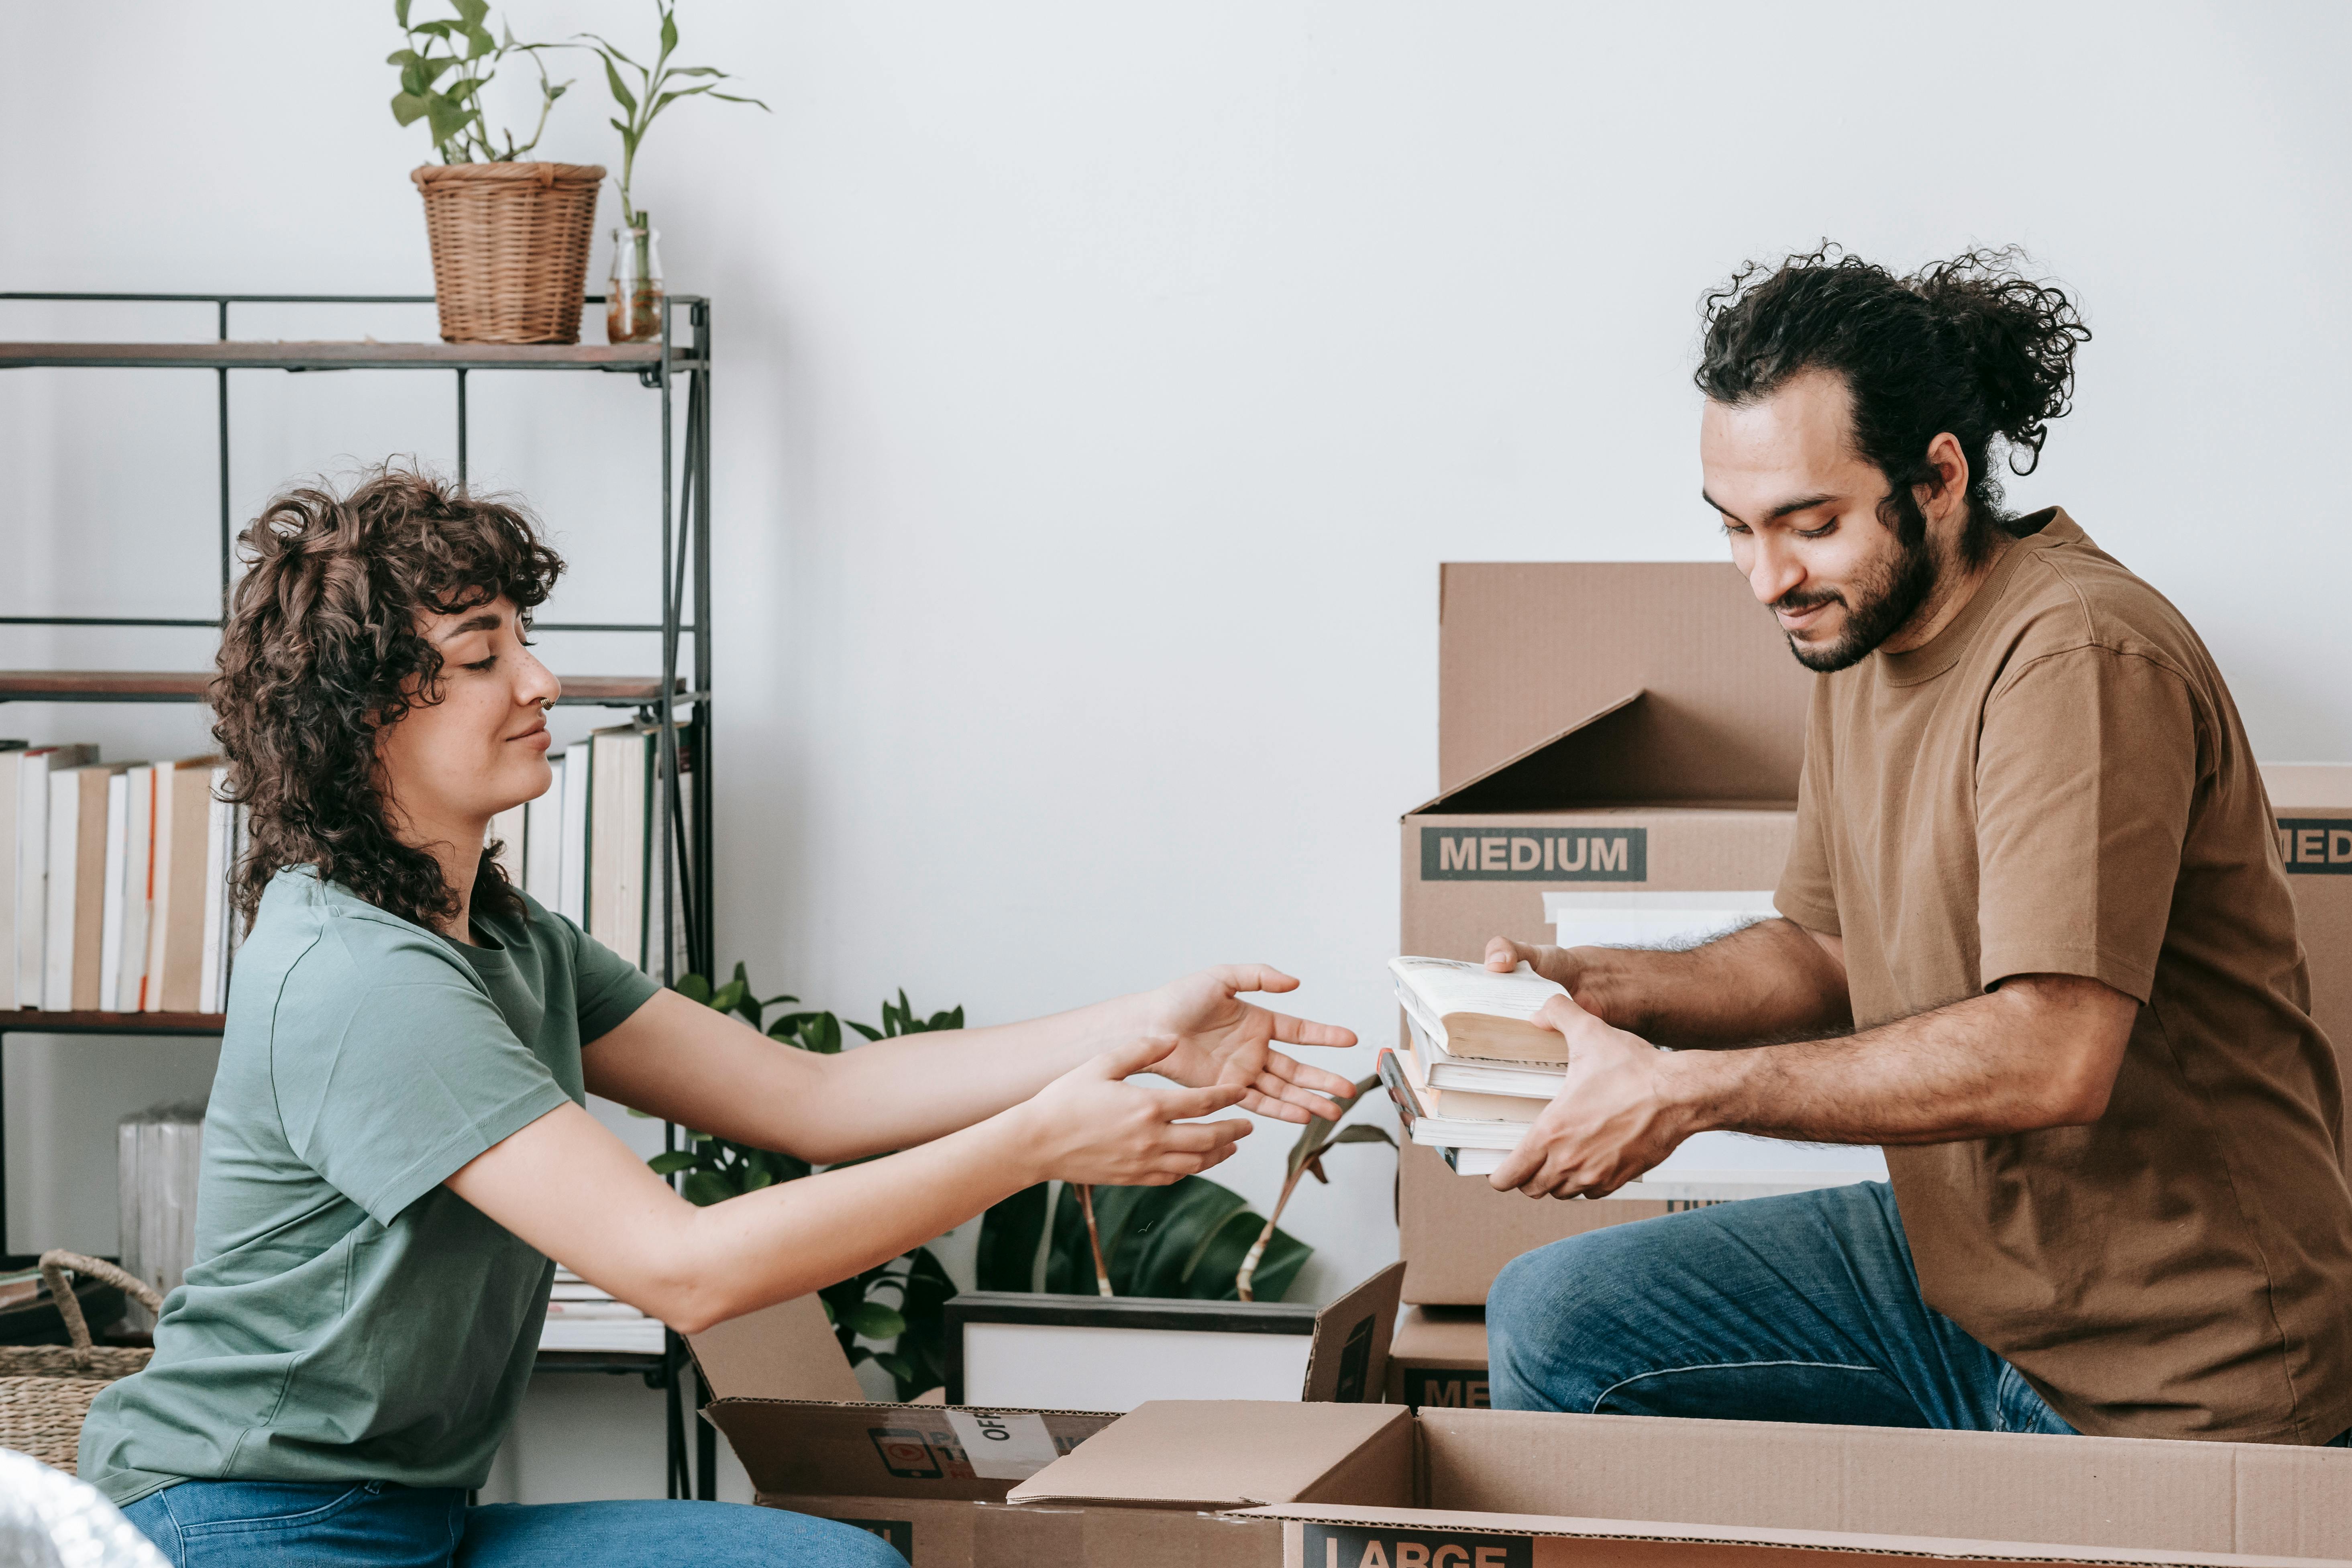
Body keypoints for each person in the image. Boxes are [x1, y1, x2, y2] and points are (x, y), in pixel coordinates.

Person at [79, 468, 1360, 1565]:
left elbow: (806, 1098)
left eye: (522, 636)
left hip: (420, 1515)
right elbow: (677, 1266)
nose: (541, 677)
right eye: (481, 657)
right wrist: (1035, 1143)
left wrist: (1142, 1027)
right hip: (242, 1518)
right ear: (360, 719)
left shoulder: (502, 936)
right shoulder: (360, 977)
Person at [1481, 247, 2352, 1446]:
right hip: (1964, 1284)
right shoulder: (1859, 632)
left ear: (1936, 477)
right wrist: (1603, 991)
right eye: (1733, 528)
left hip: (2173, 1369)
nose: (1766, 577)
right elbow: (1824, 947)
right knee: (1553, 1316)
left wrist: (1690, 1093)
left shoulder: (2076, 657)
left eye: (1809, 523)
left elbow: (2053, 1053)